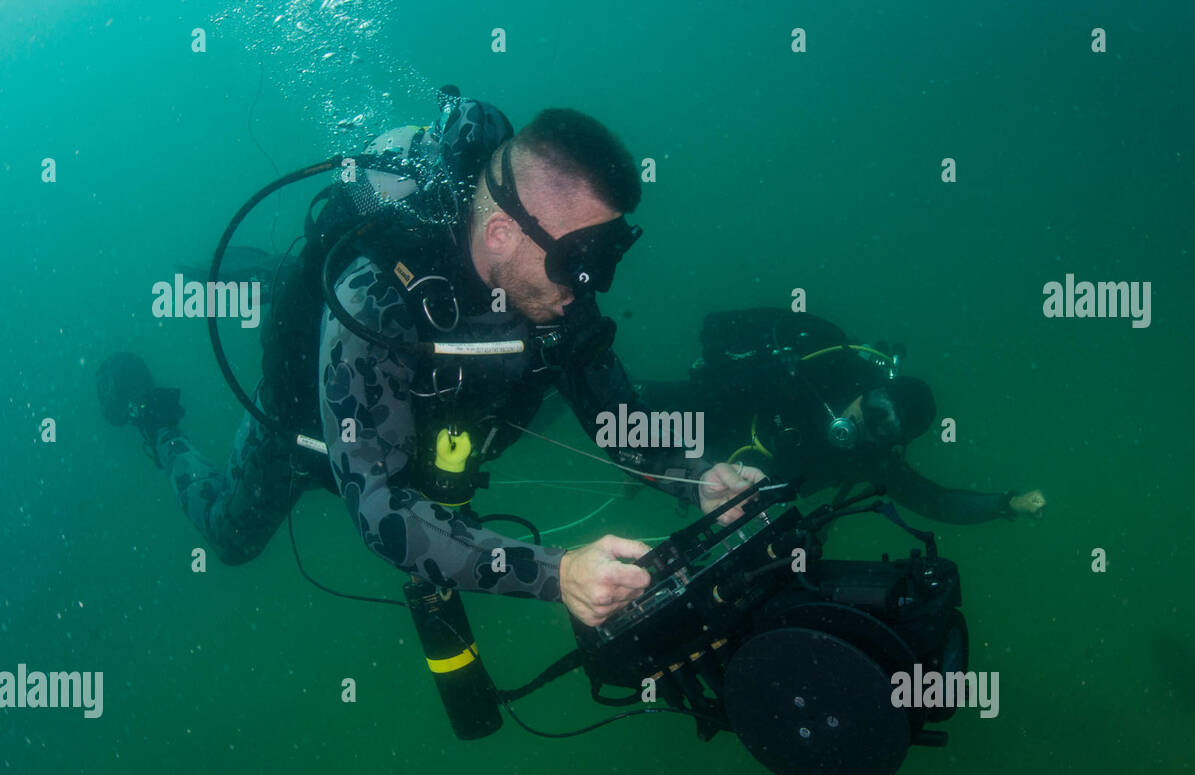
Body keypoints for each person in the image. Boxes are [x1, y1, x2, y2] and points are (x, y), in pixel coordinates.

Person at [97, 90, 761, 637]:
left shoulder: (559, 289)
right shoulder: (375, 297)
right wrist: (557, 573)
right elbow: (380, 508)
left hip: (439, 423)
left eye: (604, 259)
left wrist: (695, 480)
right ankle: (157, 423)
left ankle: (274, 277)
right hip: (309, 423)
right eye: (579, 263)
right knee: (233, 537)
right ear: (502, 233)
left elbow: (617, 419)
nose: (590, 287)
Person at [635, 307, 1045, 523]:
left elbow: (935, 502)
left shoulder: (871, 458)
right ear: (869, 389)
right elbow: (718, 328)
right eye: (875, 409)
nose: (867, 424)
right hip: (704, 417)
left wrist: (1005, 504)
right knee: (614, 413)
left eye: (884, 429)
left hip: (719, 491)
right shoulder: (821, 367)